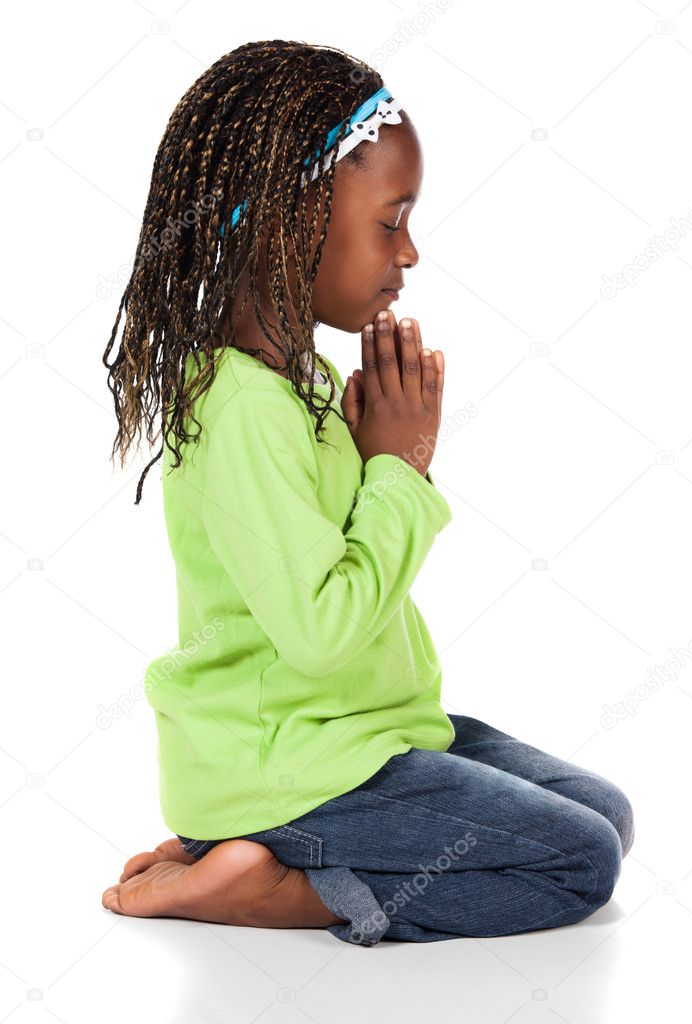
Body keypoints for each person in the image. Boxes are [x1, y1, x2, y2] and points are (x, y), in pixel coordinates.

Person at [100, 40, 635, 946]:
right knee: (577, 861)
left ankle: (237, 852)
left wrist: (367, 455)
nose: (410, 251)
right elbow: (320, 633)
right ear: (285, 221)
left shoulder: (297, 382)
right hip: (291, 763)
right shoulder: (241, 410)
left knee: (602, 812)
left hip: (360, 736)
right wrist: (398, 471)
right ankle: (272, 891)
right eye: (391, 220)